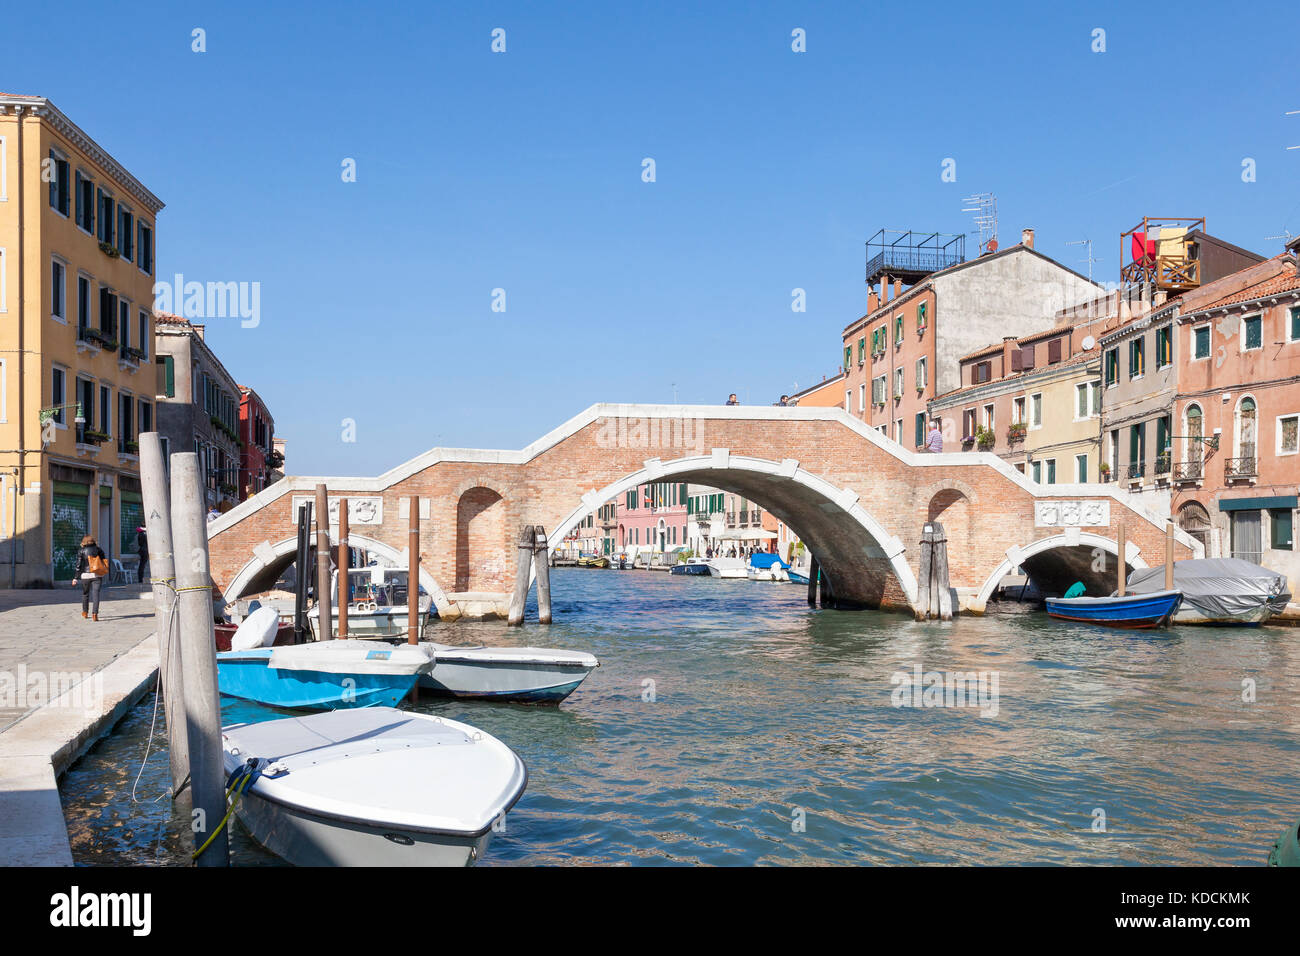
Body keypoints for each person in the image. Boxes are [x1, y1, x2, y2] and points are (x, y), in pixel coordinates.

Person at [72, 534, 108, 621]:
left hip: (85, 575)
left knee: (85, 594)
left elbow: (78, 565)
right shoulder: (99, 550)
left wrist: (75, 578)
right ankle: (95, 614)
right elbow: (103, 561)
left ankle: (85, 612)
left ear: (83, 542)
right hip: (97, 574)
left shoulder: (81, 551)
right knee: (96, 595)